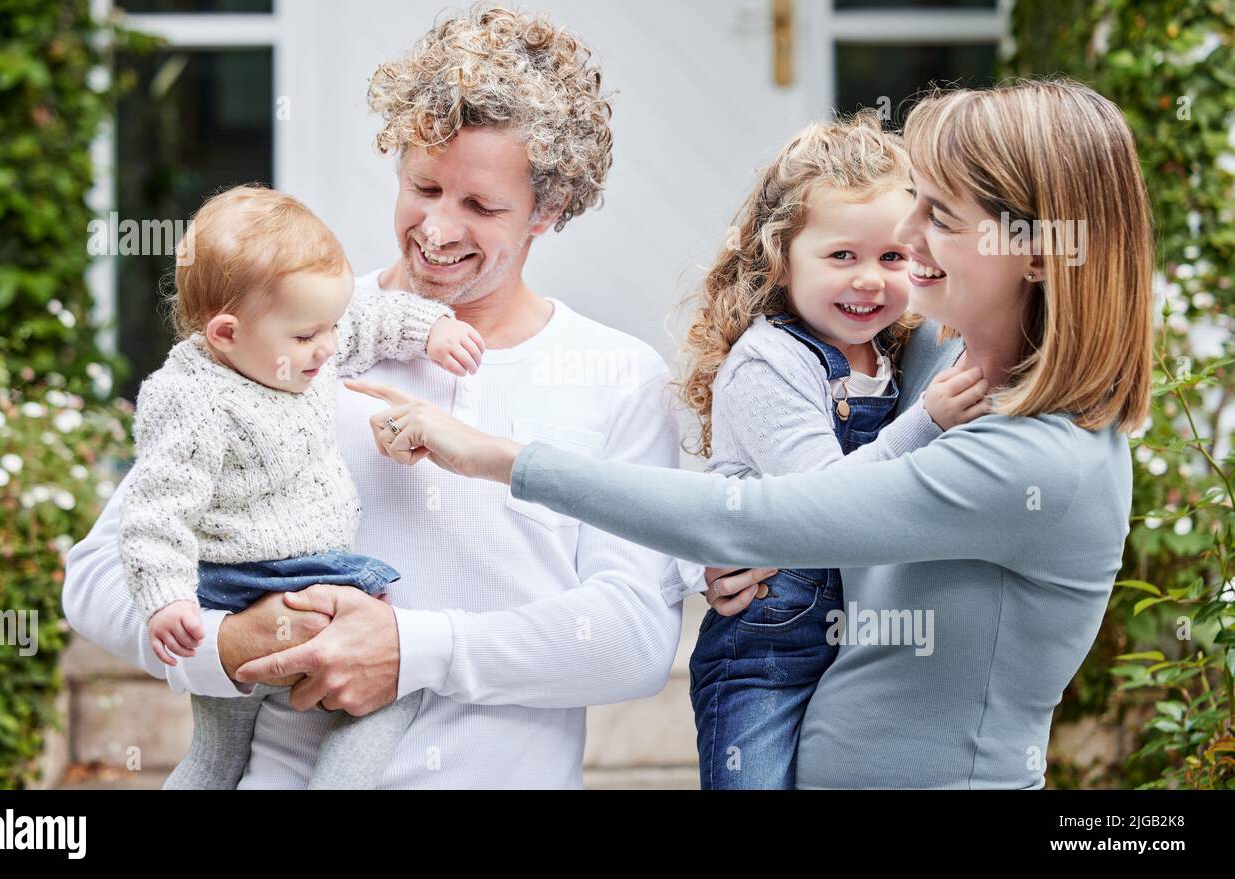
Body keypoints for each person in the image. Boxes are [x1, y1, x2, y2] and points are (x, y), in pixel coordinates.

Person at [355, 78, 1154, 789]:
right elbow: (806, 500)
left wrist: (495, 455)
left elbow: (785, 512)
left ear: (1040, 254)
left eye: (937, 214)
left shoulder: (1033, 456)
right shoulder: (934, 359)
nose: (904, 240)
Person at [63, 1, 683, 788]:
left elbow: (631, 639)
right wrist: (232, 644)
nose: (436, 228)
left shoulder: (618, 378)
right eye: (423, 186)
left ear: (549, 210)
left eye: (481, 206)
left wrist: (413, 649)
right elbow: (97, 578)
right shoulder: (285, 335)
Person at [121, 184, 481, 788]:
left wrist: (429, 329)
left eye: (331, 326)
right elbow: (158, 509)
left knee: (218, 754)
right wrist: (166, 598)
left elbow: (371, 317)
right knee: (398, 683)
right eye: (309, 336)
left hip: (262, 584)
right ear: (225, 334)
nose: (330, 346)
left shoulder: (290, 345)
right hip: (267, 585)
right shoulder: (194, 399)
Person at [670, 112, 989, 788]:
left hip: (861, 643)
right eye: (842, 255)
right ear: (782, 258)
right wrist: (925, 420)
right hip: (767, 655)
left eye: (892, 257)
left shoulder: (898, 348)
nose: (871, 280)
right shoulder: (769, 362)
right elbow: (829, 505)